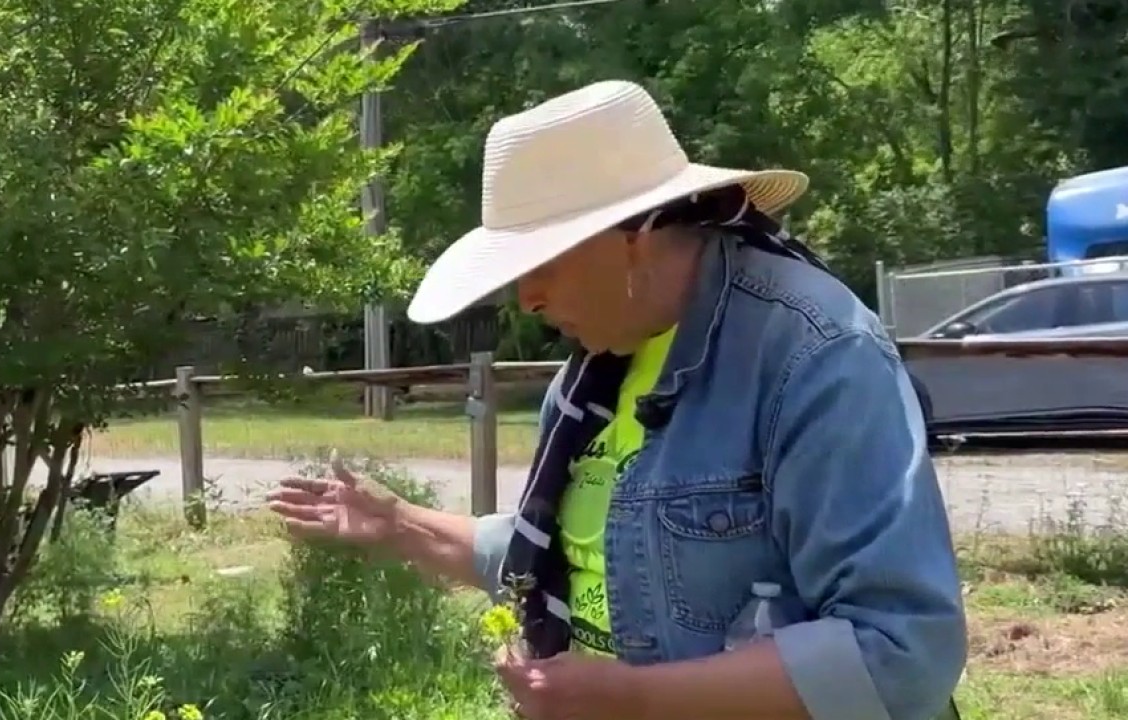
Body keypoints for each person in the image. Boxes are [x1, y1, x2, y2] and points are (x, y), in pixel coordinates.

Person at [268, 80, 966, 720]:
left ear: (634, 234)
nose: (528, 298)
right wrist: (401, 525)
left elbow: (901, 655)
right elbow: (582, 550)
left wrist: (633, 700)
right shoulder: (591, 380)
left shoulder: (814, 354)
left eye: (541, 263)